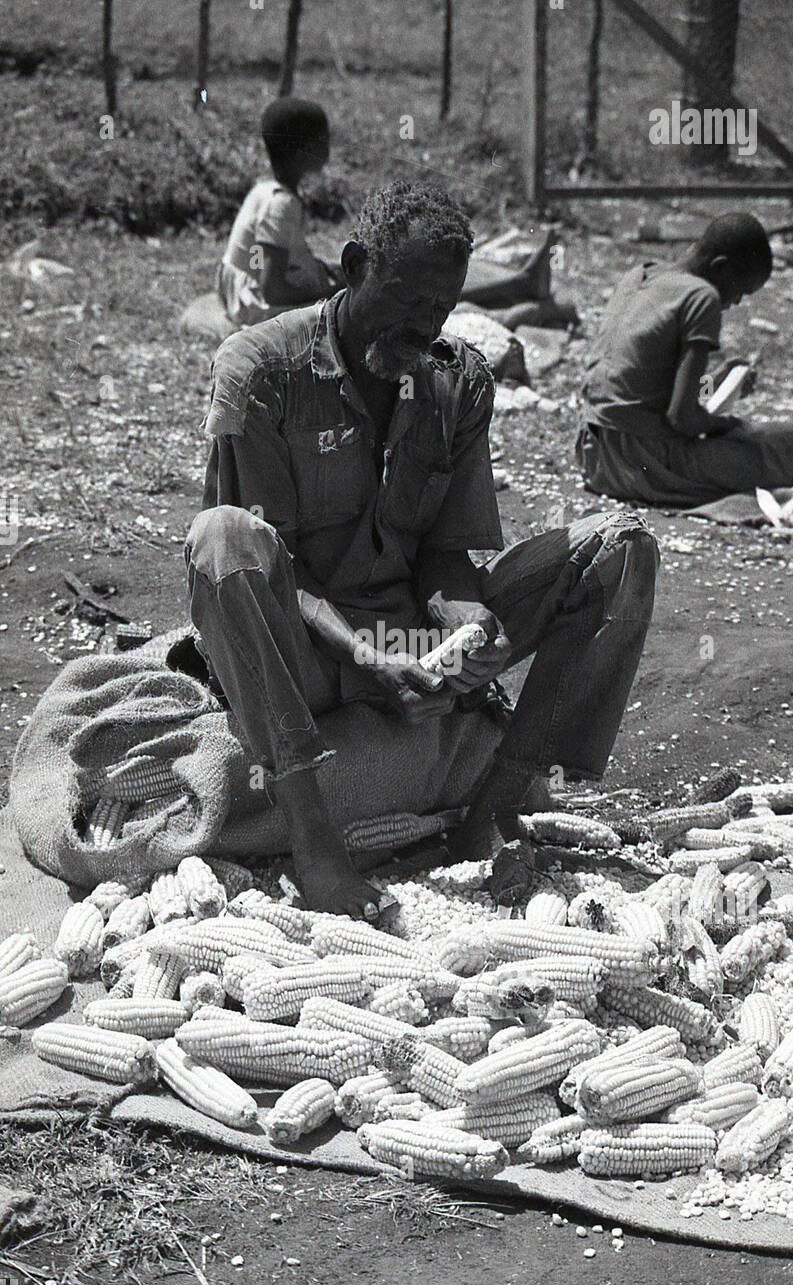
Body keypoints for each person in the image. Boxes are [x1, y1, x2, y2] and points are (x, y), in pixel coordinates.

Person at [186, 180, 659, 919]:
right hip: (307, 651)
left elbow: (446, 556)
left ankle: (491, 812)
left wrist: (465, 628)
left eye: (439, 307)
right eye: (406, 299)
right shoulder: (259, 371)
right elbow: (273, 562)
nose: (421, 326)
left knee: (618, 548)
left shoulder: (456, 380)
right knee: (222, 537)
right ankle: (314, 843)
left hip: (404, 636)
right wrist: (369, 655)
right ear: (351, 266)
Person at [577, 212, 793, 507]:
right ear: (720, 267)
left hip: (594, 456)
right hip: (641, 464)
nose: (737, 302)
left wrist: (715, 382)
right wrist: (727, 425)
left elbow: (641, 386)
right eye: (741, 291)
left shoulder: (642, 274)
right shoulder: (702, 296)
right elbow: (682, 418)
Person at [217, 97, 342, 327]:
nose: (328, 147)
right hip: (252, 303)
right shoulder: (281, 205)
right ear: (304, 150)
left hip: (239, 284)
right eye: (323, 140)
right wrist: (329, 294)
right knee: (341, 309)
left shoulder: (266, 189)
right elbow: (272, 290)